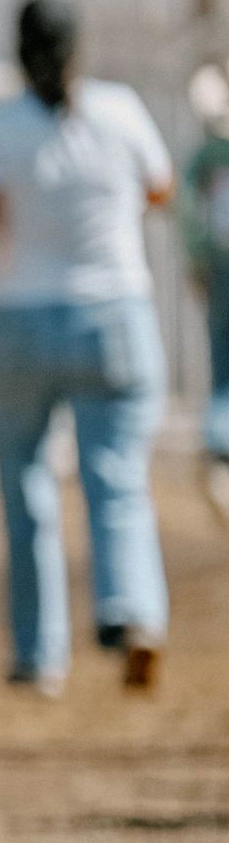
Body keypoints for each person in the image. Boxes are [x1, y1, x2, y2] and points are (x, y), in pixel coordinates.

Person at [0, 0, 173, 694]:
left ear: (20, 51)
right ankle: (131, 610)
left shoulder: (2, 126)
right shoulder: (120, 110)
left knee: (26, 487)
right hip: (116, 314)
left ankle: (39, 655)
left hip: (24, 318)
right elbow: (159, 190)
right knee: (118, 477)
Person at [179, 63, 229, 519]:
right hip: (219, 268)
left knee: (221, 363)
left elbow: (189, 211)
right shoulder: (208, 158)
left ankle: (220, 453)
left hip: (217, 267)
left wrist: (196, 258)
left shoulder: (206, 157)